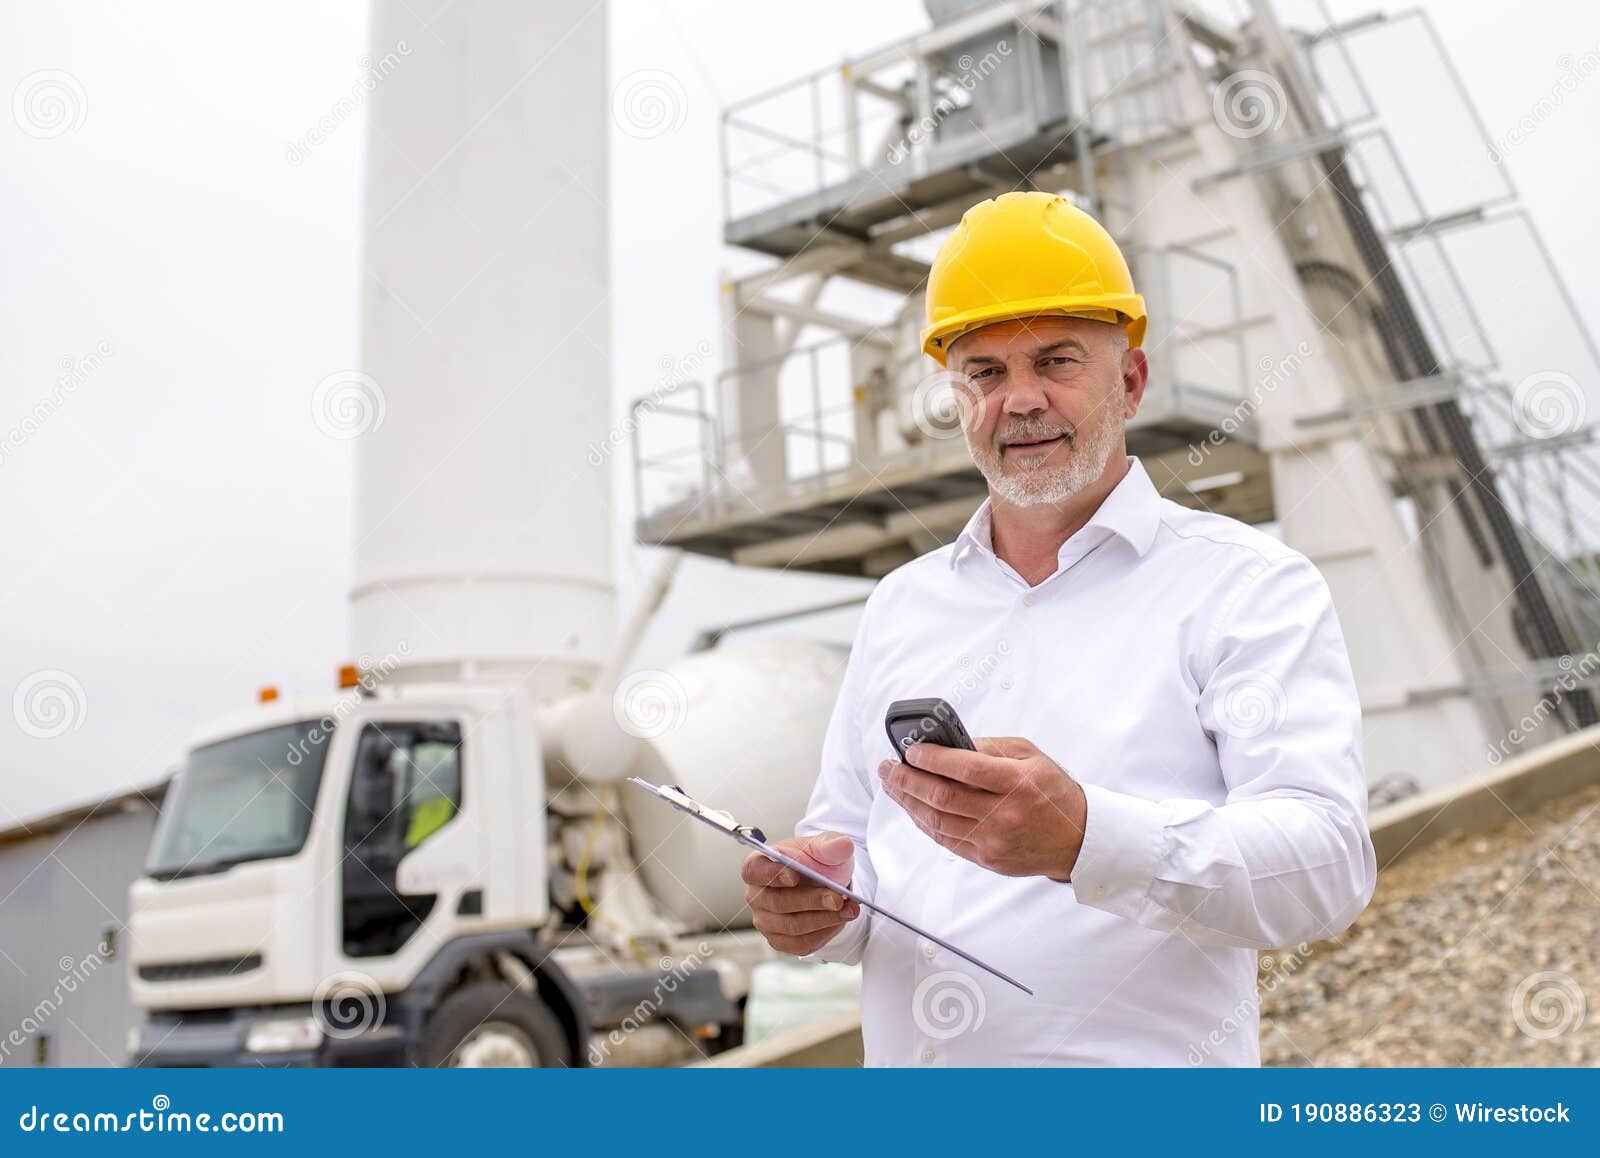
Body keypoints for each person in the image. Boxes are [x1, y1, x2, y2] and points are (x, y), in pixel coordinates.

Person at [740, 190, 1376, 1066]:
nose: (1022, 400)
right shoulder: (902, 604)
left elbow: (1325, 869)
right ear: (956, 396)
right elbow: (858, 853)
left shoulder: (1246, 587)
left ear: (1132, 380)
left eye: (1057, 360)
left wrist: (1087, 837)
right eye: (986, 372)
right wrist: (820, 905)